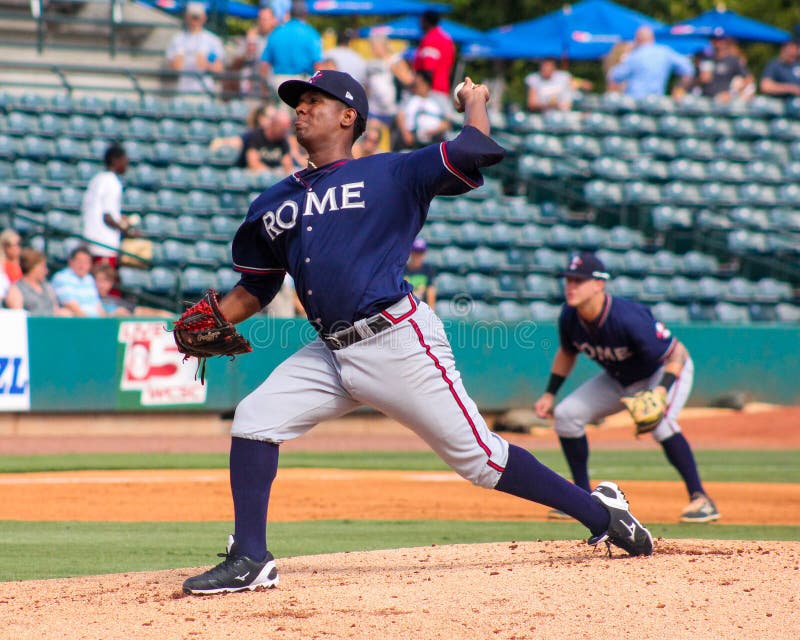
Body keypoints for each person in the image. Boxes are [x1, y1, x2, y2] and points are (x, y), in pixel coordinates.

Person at [179, 69, 653, 596]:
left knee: (483, 461)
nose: (301, 109)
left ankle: (602, 515)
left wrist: (475, 99)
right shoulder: (272, 202)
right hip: (330, 352)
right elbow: (256, 289)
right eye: (298, 102)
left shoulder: (393, 172)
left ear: (348, 115)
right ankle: (250, 557)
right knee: (255, 417)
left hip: (396, 339)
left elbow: (475, 150)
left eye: (315, 100)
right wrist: (215, 315)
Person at [533, 252, 720, 524]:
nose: (570, 286)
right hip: (622, 379)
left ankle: (701, 499)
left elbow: (676, 354)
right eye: (568, 280)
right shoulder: (570, 316)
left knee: (660, 423)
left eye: (578, 281)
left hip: (664, 372)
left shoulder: (628, 317)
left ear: (599, 284)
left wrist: (660, 392)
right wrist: (550, 392)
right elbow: (567, 352)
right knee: (566, 415)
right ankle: (581, 497)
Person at [81, 143, 134, 268]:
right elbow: (108, 217)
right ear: (115, 160)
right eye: (124, 160)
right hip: (104, 244)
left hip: (91, 239)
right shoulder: (112, 182)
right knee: (105, 281)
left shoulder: (97, 179)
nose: (126, 164)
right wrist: (127, 230)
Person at [608, 26, 694, 98]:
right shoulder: (665, 52)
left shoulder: (634, 56)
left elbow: (614, 75)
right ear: (653, 38)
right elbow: (688, 68)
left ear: (637, 39)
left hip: (635, 104)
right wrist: (679, 88)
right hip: (656, 104)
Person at [260, 0, 322, 95]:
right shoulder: (311, 33)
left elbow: (264, 64)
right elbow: (318, 64)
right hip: (303, 83)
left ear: (289, 13)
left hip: (279, 83)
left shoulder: (276, 32)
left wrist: (264, 88)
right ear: (305, 14)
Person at [165, 2, 225, 95]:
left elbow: (219, 68)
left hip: (205, 91)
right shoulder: (178, 39)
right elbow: (174, 67)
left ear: (204, 17)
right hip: (183, 91)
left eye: (197, 17)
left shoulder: (212, 40)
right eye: (193, 17)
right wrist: (179, 60)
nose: (195, 20)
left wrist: (206, 63)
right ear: (187, 17)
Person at [229, 2, 279, 97]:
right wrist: (247, 50)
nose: (261, 22)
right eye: (260, 19)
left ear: (274, 20)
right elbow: (234, 64)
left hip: (271, 90)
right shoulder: (251, 37)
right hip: (250, 91)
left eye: (265, 19)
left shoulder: (278, 39)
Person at [395, 70, 451, 150]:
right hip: (411, 143)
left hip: (434, 143)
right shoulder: (408, 97)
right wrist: (406, 133)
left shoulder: (440, 99)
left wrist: (433, 131)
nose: (414, 87)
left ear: (426, 85)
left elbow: (448, 122)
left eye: (417, 84)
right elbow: (400, 115)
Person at [5, 248, 70, 316]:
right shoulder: (16, 288)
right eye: (42, 266)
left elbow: (55, 308)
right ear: (32, 267)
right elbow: (17, 313)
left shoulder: (47, 286)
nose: (46, 271)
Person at [694, 37, 753, 102]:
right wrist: (701, 79)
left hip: (726, 101)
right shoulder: (707, 59)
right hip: (706, 98)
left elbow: (749, 79)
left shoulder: (733, 60)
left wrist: (733, 93)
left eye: (720, 40)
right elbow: (696, 81)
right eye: (715, 40)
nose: (718, 43)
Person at [51, 246, 104, 317]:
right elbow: (70, 305)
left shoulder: (89, 279)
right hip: (78, 320)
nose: (82, 265)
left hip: (94, 320)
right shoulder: (61, 277)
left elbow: (97, 304)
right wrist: (89, 321)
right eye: (79, 261)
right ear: (71, 261)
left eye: (86, 262)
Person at [413, 10, 455, 99]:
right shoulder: (446, 38)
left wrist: (420, 90)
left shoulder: (431, 39)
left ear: (426, 21)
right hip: (443, 88)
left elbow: (428, 69)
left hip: (431, 91)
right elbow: (450, 68)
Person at [244, 107, 294, 174]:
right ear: (274, 125)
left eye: (286, 130)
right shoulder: (256, 135)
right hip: (256, 176)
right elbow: (253, 163)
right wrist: (272, 174)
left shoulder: (283, 139)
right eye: (282, 129)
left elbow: (288, 164)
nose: (284, 133)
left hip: (274, 174)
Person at [403, 237, 436, 307]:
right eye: (415, 251)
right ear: (411, 252)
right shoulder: (403, 269)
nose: (417, 255)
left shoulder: (428, 269)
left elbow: (431, 291)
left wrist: (431, 310)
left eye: (420, 252)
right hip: (405, 308)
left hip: (422, 308)